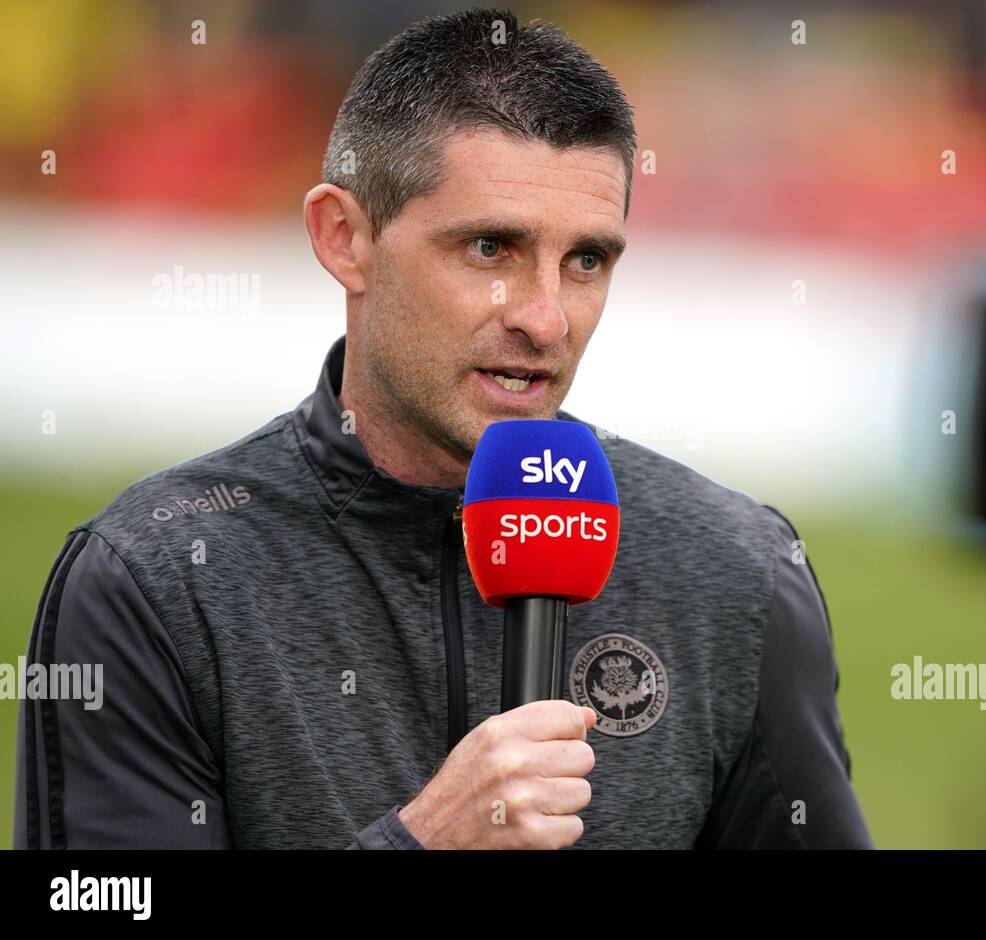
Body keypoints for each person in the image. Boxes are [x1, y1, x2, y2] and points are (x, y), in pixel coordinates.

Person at [14, 8, 871, 850]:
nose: (545, 320)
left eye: (585, 260)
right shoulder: (154, 580)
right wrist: (423, 844)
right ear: (344, 238)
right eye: (491, 248)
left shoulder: (737, 573)